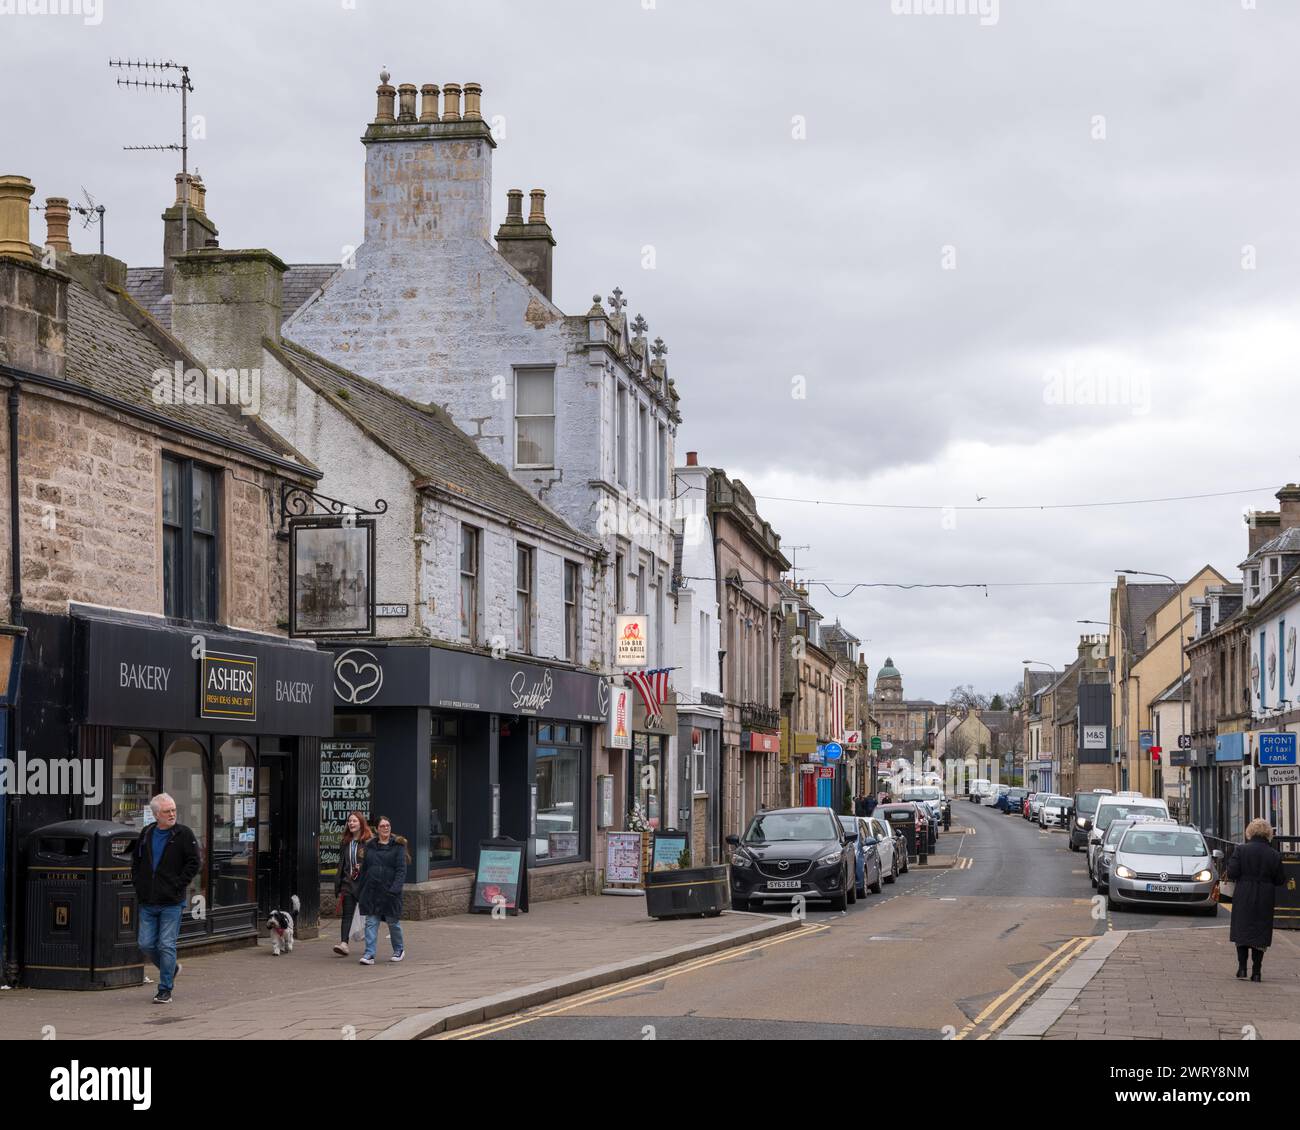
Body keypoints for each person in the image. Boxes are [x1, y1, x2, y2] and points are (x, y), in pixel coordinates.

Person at [131, 793, 201, 1004]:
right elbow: (137, 860)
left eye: (173, 810)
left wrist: (178, 885)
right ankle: (171, 968)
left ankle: (164, 989)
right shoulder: (147, 832)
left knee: (166, 945)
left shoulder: (183, 834)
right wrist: (138, 883)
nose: (171, 814)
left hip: (172, 901)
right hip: (148, 900)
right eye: (166, 811)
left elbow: (194, 862)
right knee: (145, 944)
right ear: (155, 815)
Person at [1228, 817, 1287, 982]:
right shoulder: (1274, 855)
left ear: (1249, 832)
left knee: (1242, 930)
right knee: (1260, 932)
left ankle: (1241, 968)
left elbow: (1232, 873)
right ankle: (1257, 971)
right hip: (1265, 895)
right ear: (1268, 833)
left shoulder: (1241, 850)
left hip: (1244, 893)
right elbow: (1280, 879)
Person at [357, 816, 409, 965]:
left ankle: (399, 949)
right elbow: (365, 869)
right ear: (377, 829)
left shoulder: (398, 847)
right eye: (382, 826)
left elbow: (401, 870)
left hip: (390, 892)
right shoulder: (370, 846)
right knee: (371, 922)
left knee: (393, 923)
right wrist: (361, 889)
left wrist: (395, 889)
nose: (386, 828)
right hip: (372, 891)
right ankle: (369, 954)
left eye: (388, 825)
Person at [333, 812, 372, 956]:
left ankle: (370, 947)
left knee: (368, 917)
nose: (351, 823)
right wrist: (339, 883)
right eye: (349, 821)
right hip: (348, 884)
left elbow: (373, 863)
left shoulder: (369, 842)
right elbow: (342, 865)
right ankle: (344, 944)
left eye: (354, 821)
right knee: (347, 915)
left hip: (364, 885)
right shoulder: (345, 842)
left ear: (361, 823)